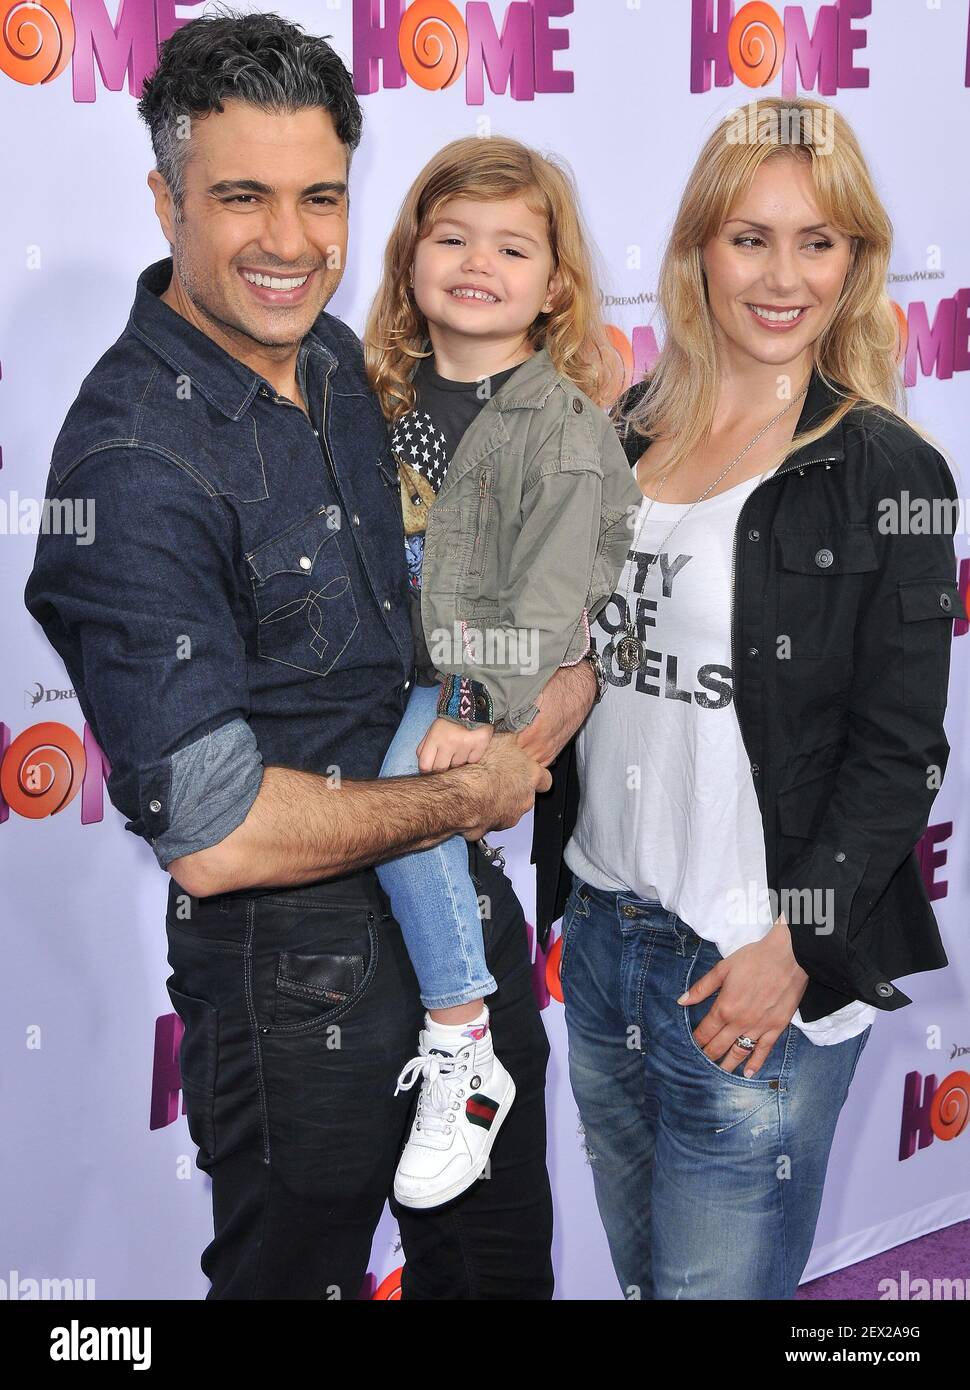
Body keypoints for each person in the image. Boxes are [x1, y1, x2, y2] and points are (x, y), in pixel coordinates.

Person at [24, 10, 599, 1301]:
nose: (289, 243)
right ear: (164, 198)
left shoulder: (336, 356)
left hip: (457, 917)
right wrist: (479, 788)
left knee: (498, 1272)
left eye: (318, 196)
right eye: (241, 196)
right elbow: (215, 826)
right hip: (298, 993)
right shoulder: (129, 463)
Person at [532, 96, 962, 1300]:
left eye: (816, 241)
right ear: (697, 253)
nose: (782, 276)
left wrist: (795, 942)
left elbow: (899, 751)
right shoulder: (627, 434)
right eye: (749, 238)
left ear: (855, 263)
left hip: (749, 967)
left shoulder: (882, 467)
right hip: (608, 943)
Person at [363, 136, 642, 1210]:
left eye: (512, 246)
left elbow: (546, 607)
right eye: (451, 236)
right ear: (411, 258)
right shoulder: (369, 395)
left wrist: (473, 708)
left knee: (408, 790)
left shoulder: (564, 431)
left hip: (478, 675)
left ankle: (461, 1032)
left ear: (555, 285)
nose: (478, 262)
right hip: (380, 671)